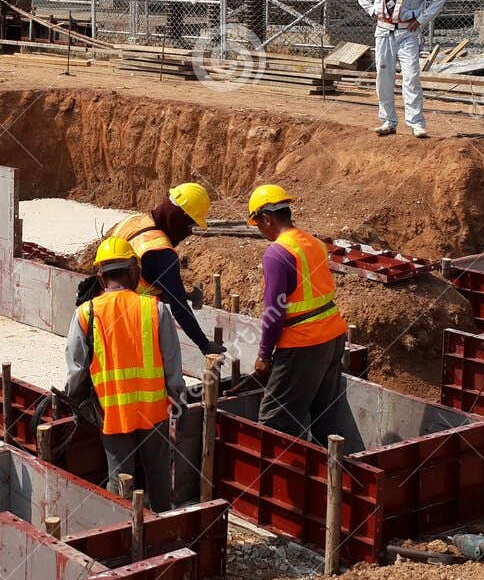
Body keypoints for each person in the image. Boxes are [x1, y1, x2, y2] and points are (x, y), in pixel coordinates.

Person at [64, 237, 186, 511]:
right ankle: (163, 523)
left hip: (114, 413)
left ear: (100, 276)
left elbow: (76, 369)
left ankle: (120, 528)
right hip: (153, 412)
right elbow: (172, 366)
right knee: (158, 476)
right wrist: (179, 400)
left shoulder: (87, 313)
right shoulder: (155, 308)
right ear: (133, 270)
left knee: (119, 481)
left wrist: (73, 402)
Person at [247, 183, 348, 444]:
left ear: (267, 219)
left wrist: (263, 355)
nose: (260, 231)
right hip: (333, 336)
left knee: (274, 423)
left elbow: (274, 311)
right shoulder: (314, 243)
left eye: (258, 224)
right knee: (325, 419)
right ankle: (329, 468)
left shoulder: (277, 253)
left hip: (303, 344)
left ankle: (276, 470)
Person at [106, 182, 222, 358]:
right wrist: (204, 344)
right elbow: (179, 308)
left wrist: (181, 294)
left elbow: (140, 278)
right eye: (189, 225)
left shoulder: (132, 221)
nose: (188, 233)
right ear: (179, 216)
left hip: (105, 314)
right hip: (133, 328)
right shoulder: (161, 252)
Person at [357, 0, 447, 139]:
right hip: (384, 32)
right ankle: (388, 120)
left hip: (407, 32)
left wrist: (422, 19)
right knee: (384, 77)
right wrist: (372, 10)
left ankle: (416, 123)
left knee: (411, 76)